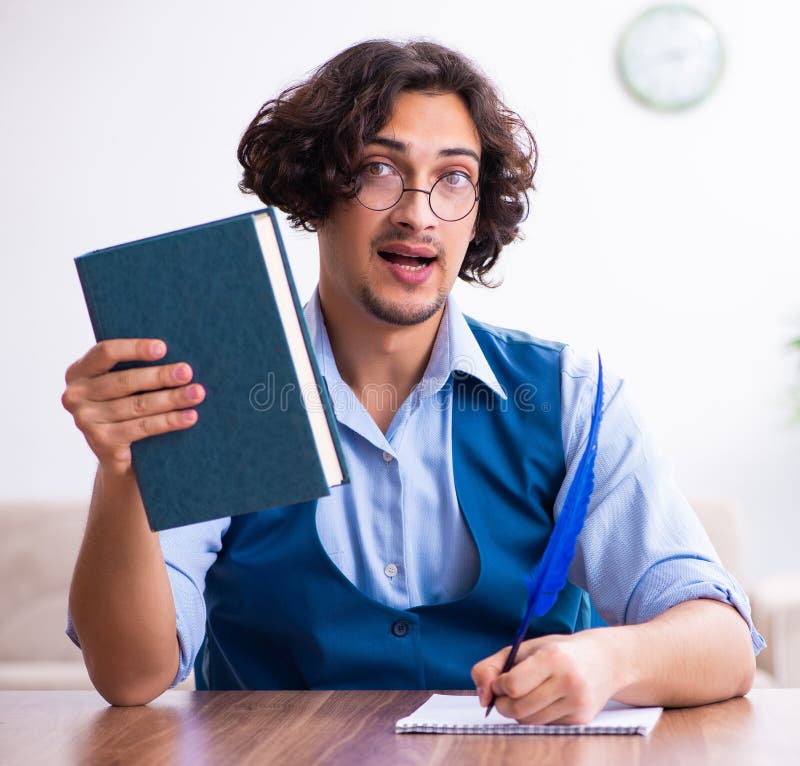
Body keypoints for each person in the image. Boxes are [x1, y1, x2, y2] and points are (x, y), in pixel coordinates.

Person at [62, 39, 763, 721]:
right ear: (317, 188)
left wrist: (613, 658)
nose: (418, 213)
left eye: (454, 177)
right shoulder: (213, 392)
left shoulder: (572, 395)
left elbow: (725, 645)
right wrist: (121, 471)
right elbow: (131, 676)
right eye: (378, 170)